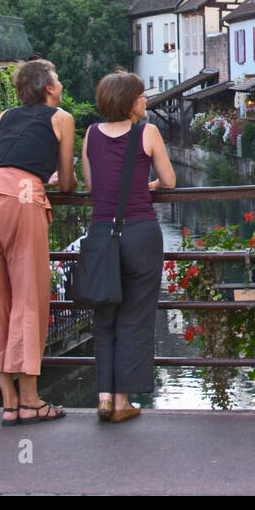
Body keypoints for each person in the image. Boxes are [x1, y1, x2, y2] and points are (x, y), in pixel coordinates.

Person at [0, 59, 76, 425]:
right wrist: (54, 180)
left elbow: (4, 157)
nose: (60, 84)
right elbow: (70, 182)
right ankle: (30, 400)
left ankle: (9, 403)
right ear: (47, 88)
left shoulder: (3, 117)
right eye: (56, 79)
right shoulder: (61, 118)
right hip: (23, 197)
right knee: (28, 298)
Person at [82, 71, 176, 423]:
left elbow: (91, 184)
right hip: (140, 233)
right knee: (135, 318)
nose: (145, 101)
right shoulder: (147, 133)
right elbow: (169, 180)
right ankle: (122, 401)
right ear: (128, 101)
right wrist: (147, 183)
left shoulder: (90, 134)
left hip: (100, 235)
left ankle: (104, 397)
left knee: (104, 316)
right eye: (140, 96)